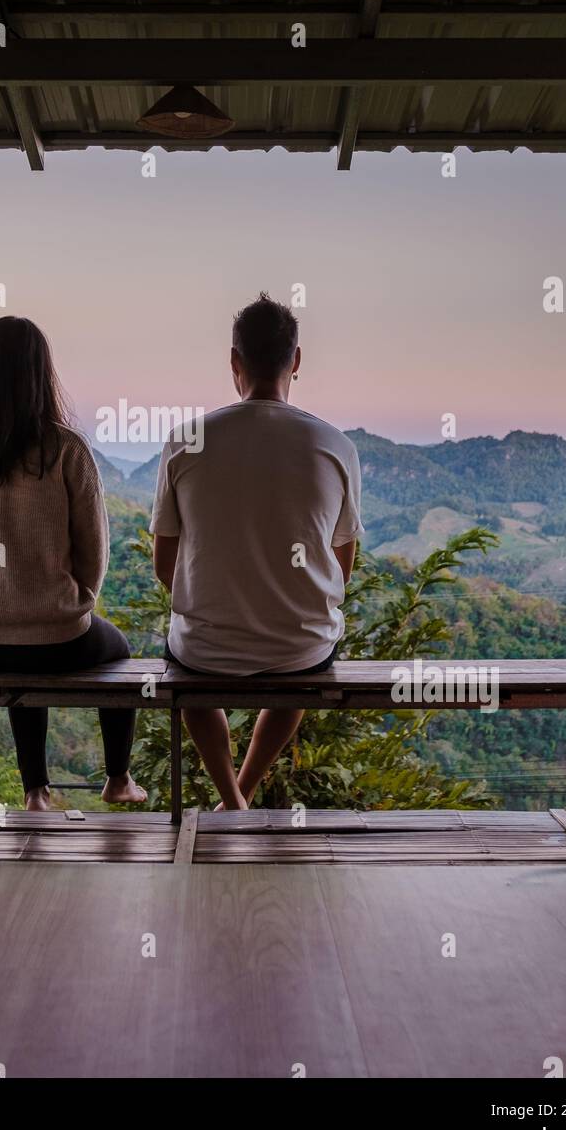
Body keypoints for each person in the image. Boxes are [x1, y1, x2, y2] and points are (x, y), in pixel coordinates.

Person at [150, 293, 363, 810]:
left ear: (234, 362)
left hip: (205, 648)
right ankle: (242, 794)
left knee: (187, 674)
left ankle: (232, 797)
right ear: (296, 360)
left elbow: (165, 565)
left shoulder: (187, 440)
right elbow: (343, 566)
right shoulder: (336, 446)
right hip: (301, 646)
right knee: (300, 671)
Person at [0, 316, 145, 812]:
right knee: (117, 649)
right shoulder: (65, 450)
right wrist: (70, 602)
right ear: (40, 374)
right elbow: (94, 551)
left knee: (19, 645)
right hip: (54, 638)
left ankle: (35, 791)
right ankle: (118, 779)